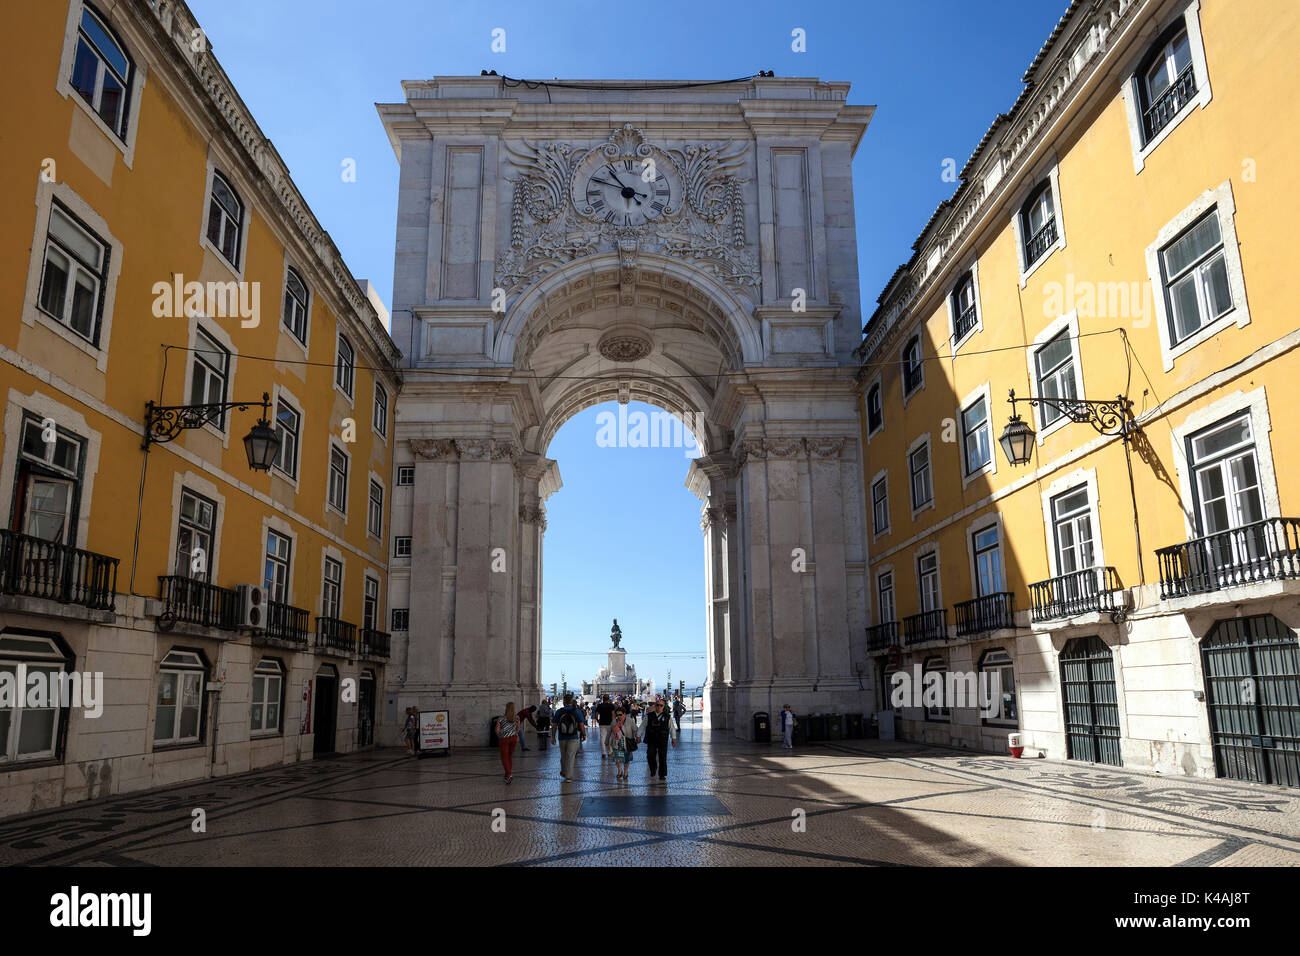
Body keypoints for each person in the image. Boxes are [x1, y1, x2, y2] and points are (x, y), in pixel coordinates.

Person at [639, 698, 677, 782]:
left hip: (662, 739)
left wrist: (673, 738)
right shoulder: (649, 716)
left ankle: (662, 774)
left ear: (663, 707)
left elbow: (672, 728)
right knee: (650, 755)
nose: (659, 707)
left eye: (661, 705)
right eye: (657, 705)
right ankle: (653, 768)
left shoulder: (667, 717)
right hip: (651, 739)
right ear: (655, 706)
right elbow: (642, 726)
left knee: (662, 757)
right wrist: (638, 736)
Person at [551, 693, 586, 781]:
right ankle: (568, 776)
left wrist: (553, 736)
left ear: (564, 702)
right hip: (573, 736)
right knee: (570, 756)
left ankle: (564, 771)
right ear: (572, 701)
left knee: (563, 756)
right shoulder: (576, 711)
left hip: (562, 737)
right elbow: (581, 724)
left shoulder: (559, 711)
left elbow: (554, 725)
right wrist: (584, 734)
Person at [495, 702, 520, 783]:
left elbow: (497, 730)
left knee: (504, 758)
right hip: (513, 738)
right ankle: (507, 776)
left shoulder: (501, 718)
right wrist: (514, 733)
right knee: (509, 757)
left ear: (506, 708)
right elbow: (518, 729)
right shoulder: (517, 718)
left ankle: (509, 774)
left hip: (504, 739)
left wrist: (500, 736)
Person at [609, 708, 635, 781]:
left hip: (627, 742)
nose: (619, 716)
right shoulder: (614, 721)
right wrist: (607, 741)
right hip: (617, 743)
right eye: (617, 715)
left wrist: (637, 737)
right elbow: (610, 731)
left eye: (620, 714)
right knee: (617, 758)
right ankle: (620, 771)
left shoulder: (630, 721)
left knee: (626, 758)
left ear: (624, 714)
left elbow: (635, 729)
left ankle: (626, 772)